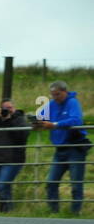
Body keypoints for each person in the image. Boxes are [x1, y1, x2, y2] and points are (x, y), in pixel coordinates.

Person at [35, 80, 87, 215]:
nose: (55, 97)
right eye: (52, 95)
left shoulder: (72, 102)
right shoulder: (51, 104)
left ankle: (75, 213)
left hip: (75, 147)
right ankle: (54, 212)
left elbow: (76, 120)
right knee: (51, 182)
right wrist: (37, 123)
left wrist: (54, 124)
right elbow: (41, 117)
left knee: (76, 183)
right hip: (60, 149)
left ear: (65, 92)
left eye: (57, 94)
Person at [0, 99, 28, 212]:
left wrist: (8, 120)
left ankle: (8, 210)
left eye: (10, 108)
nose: (7, 110)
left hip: (13, 159)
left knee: (2, 185)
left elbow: (21, 136)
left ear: (14, 108)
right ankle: (5, 211)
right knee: (2, 187)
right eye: (5, 108)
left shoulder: (20, 119)